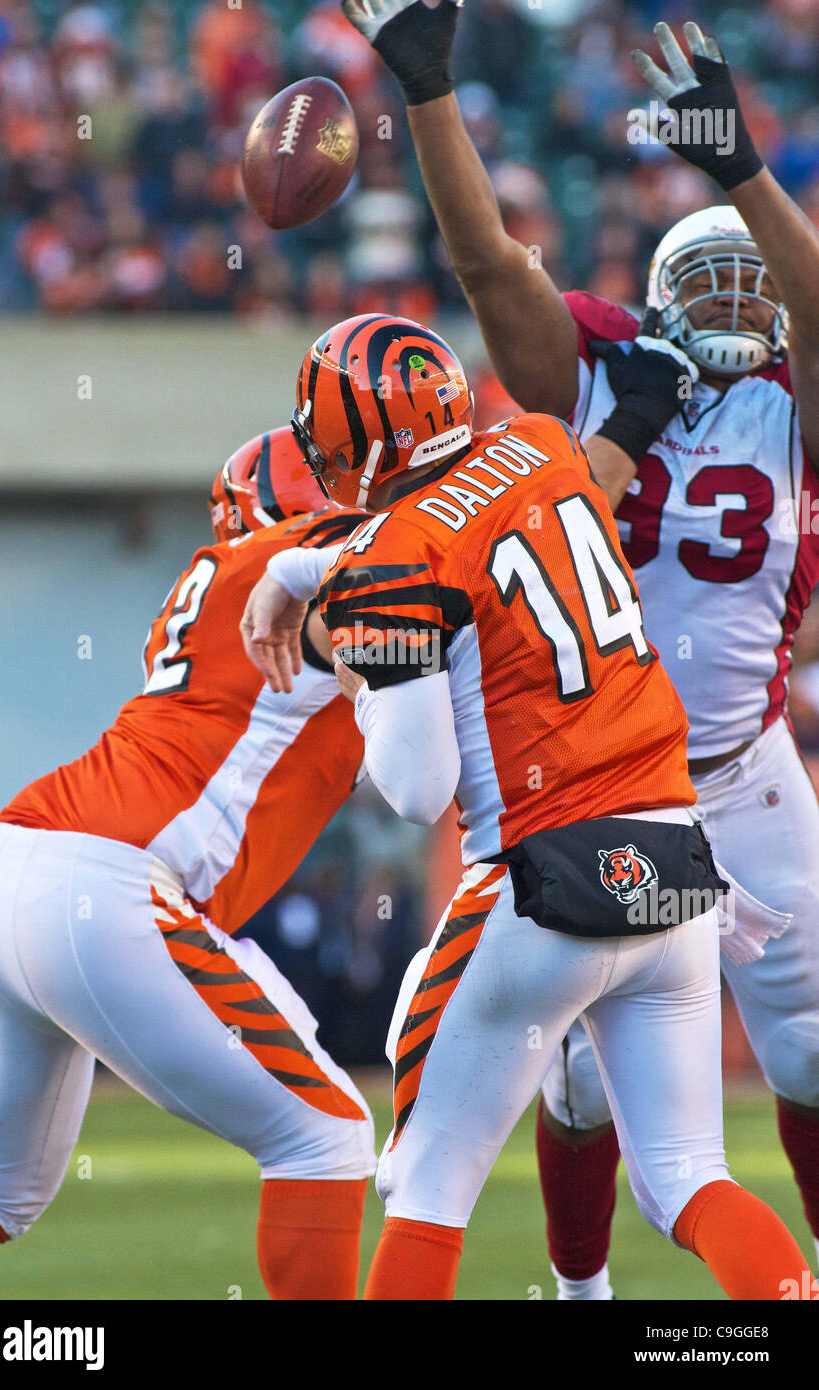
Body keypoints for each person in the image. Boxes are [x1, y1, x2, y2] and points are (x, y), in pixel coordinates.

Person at [342, 0, 819, 1300]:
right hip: (605, 782)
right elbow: (490, 264)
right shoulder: (604, 367)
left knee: (809, 1050)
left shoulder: (792, 398)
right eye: (703, 277)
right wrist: (430, 96)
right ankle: (578, 1290)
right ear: (654, 296)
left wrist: (740, 170)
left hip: (743, 768)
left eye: (752, 279)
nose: (732, 299)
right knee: (576, 1082)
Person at [242, 311, 813, 1300]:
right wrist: (300, 573)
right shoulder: (542, 448)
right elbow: (464, 527)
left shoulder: (393, 563)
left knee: (428, 1186)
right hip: (676, 863)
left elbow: (417, 791)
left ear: (348, 443)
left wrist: (358, 674)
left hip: (540, 882)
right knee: (687, 1180)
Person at [0, 427, 376, 1301]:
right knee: (324, 1136)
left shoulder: (212, 580)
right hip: (107, 887)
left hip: (7, 870)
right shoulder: (307, 565)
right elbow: (402, 607)